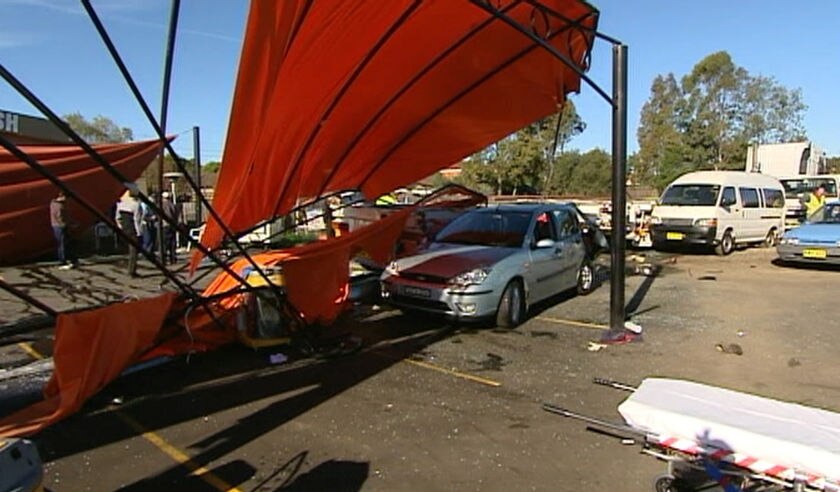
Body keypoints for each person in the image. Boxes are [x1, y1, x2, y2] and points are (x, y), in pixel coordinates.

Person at [49, 192, 79, 269]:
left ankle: (67, 260)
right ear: (62, 197)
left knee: (62, 244)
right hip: (60, 226)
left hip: (56, 225)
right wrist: (70, 224)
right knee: (63, 244)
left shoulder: (52, 204)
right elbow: (60, 218)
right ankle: (63, 261)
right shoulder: (60, 206)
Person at [116, 191, 142, 277]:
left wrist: (120, 226)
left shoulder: (121, 204)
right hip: (132, 229)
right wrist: (139, 232)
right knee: (133, 251)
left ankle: (129, 269)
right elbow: (137, 219)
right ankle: (132, 271)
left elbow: (117, 218)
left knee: (127, 249)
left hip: (124, 229)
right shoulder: (136, 204)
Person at [161, 191, 179, 264]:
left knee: (165, 243)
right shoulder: (172, 205)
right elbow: (175, 215)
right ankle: (173, 258)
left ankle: (164, 259)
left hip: (165, 225)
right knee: (172, 242)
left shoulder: (162, 205)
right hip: (172, 225)